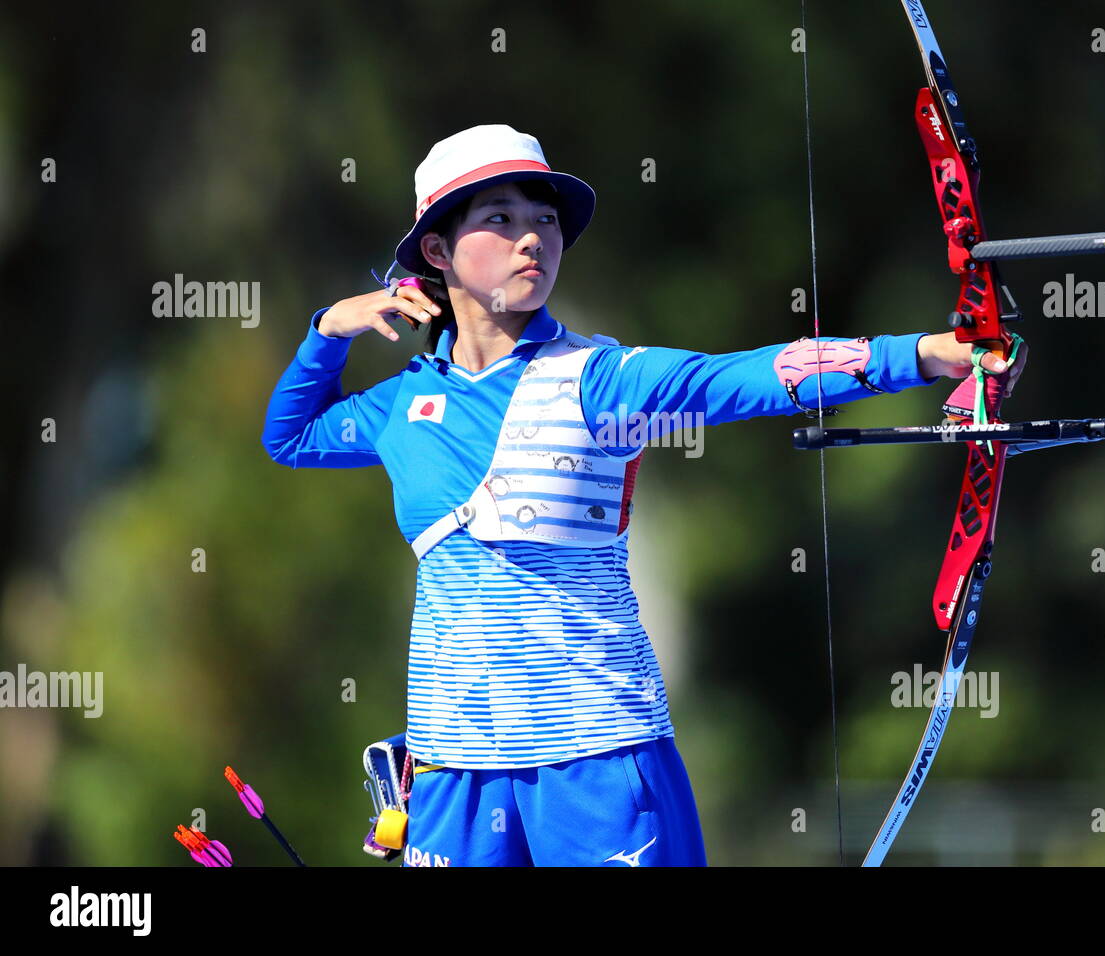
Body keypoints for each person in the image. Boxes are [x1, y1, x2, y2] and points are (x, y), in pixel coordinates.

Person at [261, 124, 1022, 866]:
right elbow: (287, 437)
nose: (534, 240)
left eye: (546, 222)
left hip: (596, 760)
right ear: (436, 251)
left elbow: (751, 376)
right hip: (451, 771)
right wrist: (329, 329)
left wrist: (931, 355)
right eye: (501, 220)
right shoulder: (403, 405)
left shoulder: (600, 378)